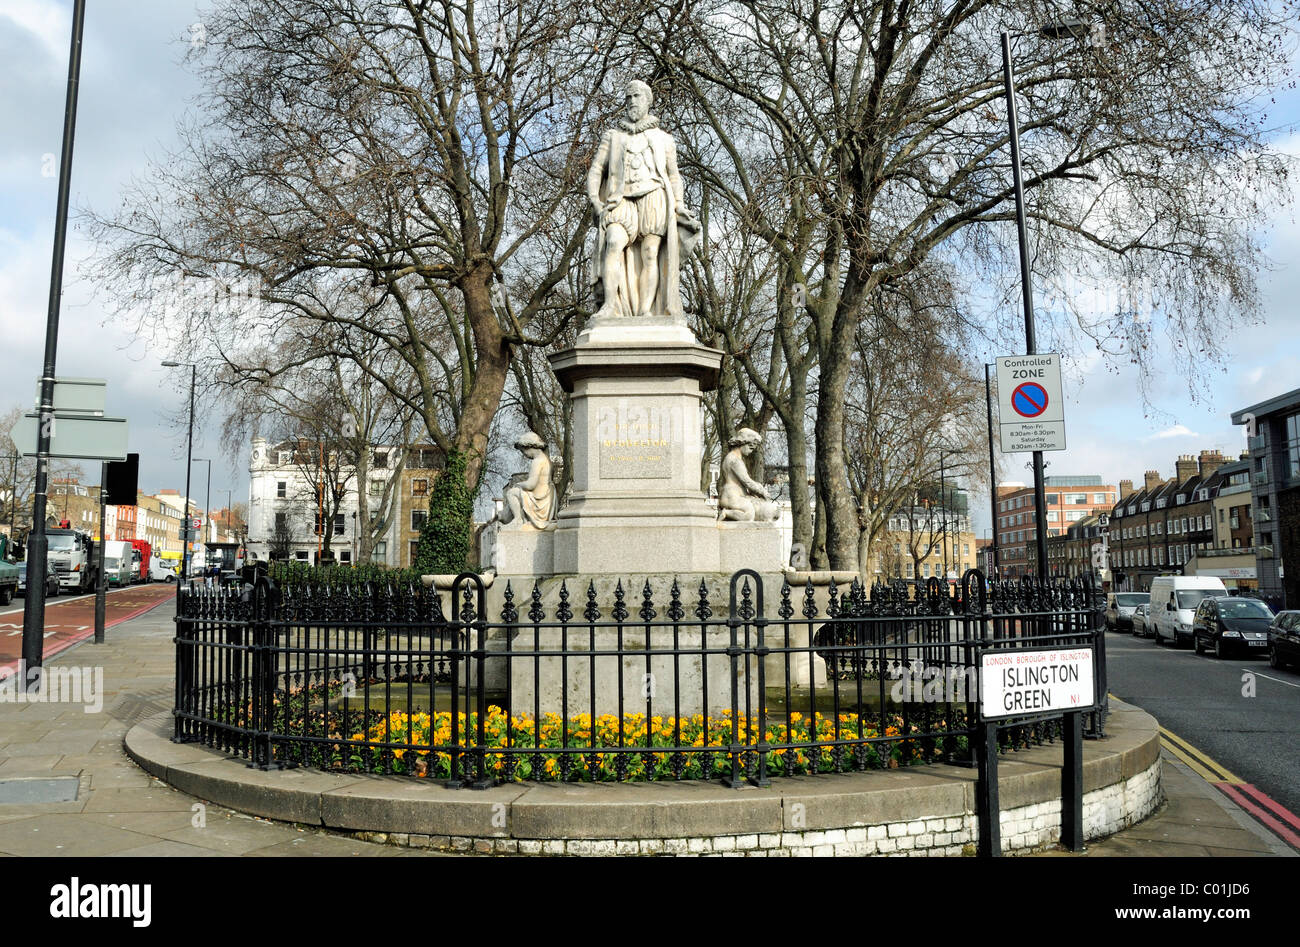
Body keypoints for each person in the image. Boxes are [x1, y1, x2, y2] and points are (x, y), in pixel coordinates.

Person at [587, 79, 701, 320]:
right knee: (614, 243)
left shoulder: (664, 138)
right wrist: (595, 200)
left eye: (637, 96)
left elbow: (673, 175)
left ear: (648, 100)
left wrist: (679, 205)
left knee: (650, 253)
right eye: (628, 97)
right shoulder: (613, 136)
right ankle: (609, 305)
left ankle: (645, 311)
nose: (631, 101)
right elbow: (597, 169)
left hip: (654, 196)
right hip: (621, 199)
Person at [717, 428, 780, 522]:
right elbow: (747, 482)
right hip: (732, 496)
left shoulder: (732, 458)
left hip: (734, 496)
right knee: (749, 515)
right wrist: (762, 491)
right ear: (743, 443)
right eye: (751, 448)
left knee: (761, 511)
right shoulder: (735, 461)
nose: (751, 451)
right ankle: (727, 513)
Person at [502, 432, 556, 529]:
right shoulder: (546, 460)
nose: (524, 455)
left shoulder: (537, 461)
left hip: (539, 500)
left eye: (523, 451)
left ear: (529, 447)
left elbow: (531, 485)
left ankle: (517, 520)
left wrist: (518, 484)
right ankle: (505, 516)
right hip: (546, 497)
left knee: (512, 493)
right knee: (517, 493)